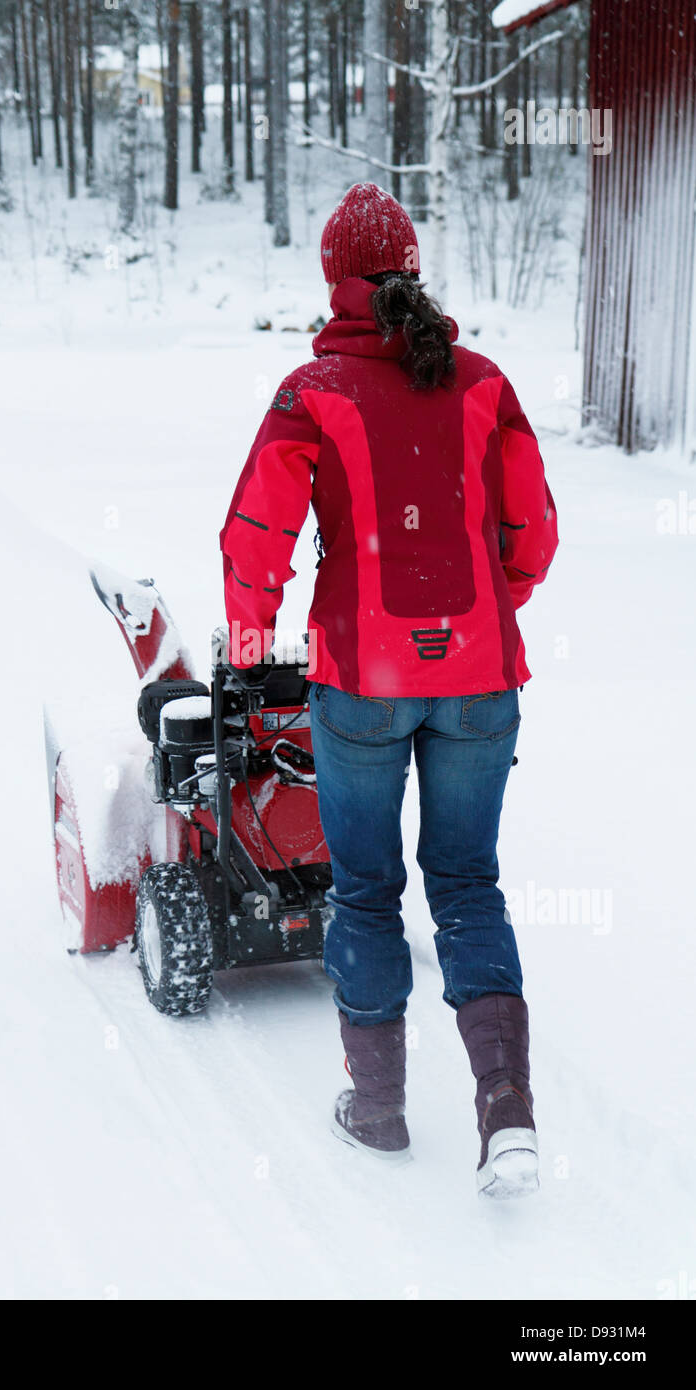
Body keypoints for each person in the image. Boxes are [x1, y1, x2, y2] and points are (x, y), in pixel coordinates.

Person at [219, 183, 558, 1198]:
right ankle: (506, 1119)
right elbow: (531, 529)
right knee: (465, 883)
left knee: (364, 890)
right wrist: (485, 614)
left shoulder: (310, 389)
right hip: (480, 682)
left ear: (333, 279)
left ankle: (376, 1108)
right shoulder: (483, 381)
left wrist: (248, 641)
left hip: (357, 682)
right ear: (409, 266)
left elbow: (253, 537)